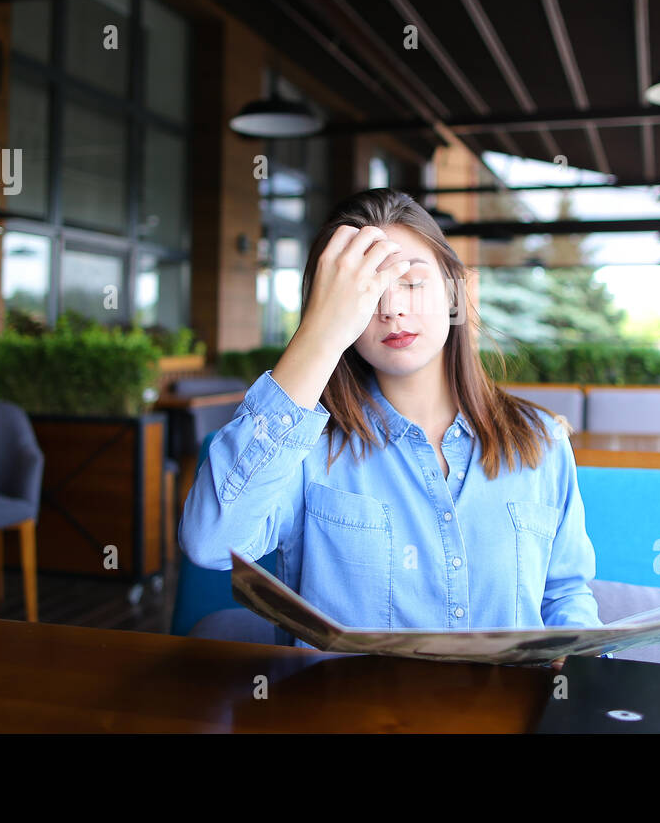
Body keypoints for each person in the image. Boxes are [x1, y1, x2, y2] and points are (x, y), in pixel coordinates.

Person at [179, 188, 605, 658]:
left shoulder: (541, 439)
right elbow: (211, 543)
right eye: (366, 293)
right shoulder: (306, 449)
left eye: (413, 282)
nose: (391, 309)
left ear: (454, 293)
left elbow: (565, 593)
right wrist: (321, 332)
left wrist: (580, 673)